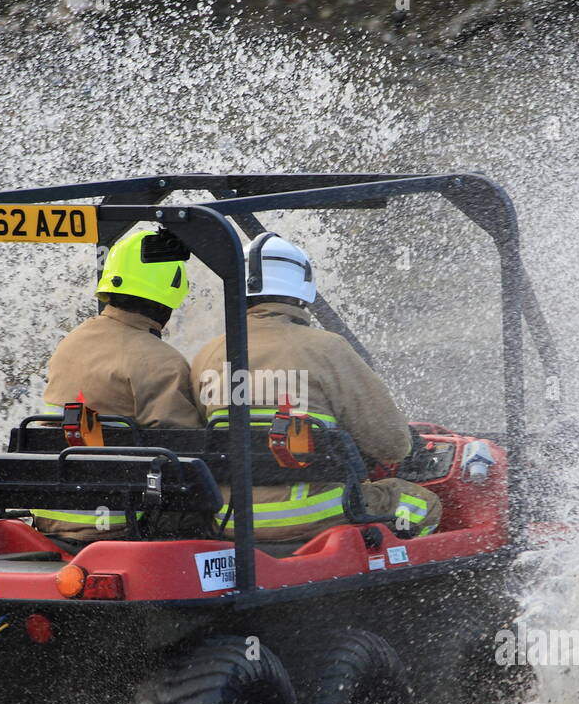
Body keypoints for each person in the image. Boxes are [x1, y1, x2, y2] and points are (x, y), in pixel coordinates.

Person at [189, 233, 441, 543]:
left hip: (229, 516)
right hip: (309, 512)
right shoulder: (328, 349)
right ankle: (396, 589)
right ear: (302, 287)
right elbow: (391, 446)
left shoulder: (207, 354)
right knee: (423, 505)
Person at [31, 229, 202, 540]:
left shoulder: (70, 342)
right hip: (121, 523)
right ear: (171, 292)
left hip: (51, 515)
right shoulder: (162, 361)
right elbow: (185, 456)